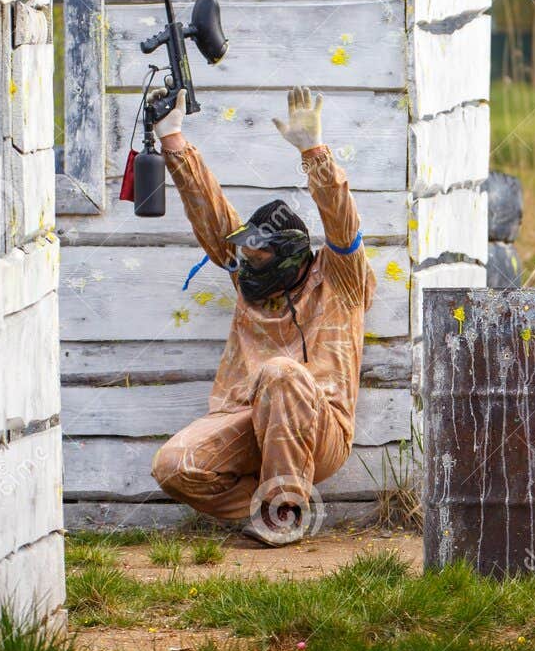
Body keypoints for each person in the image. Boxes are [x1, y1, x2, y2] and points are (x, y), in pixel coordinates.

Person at [148, 86, 375, 545]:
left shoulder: (339, 280)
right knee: (174, 467)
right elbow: (213, 218)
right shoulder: (246, 275)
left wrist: (314, 152)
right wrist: (172, 139)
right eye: (246, 254)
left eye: (260, 254)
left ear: (289, 256)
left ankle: (284, 512)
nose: (248, 263)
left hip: (318, 427)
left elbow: (342, 222)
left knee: (281, 373)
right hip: (248, 420)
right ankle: (268, 511)